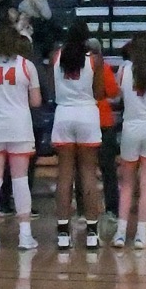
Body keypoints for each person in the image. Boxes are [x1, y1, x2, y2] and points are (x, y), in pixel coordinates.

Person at [0, 22, 43, 250]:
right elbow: (36, 102)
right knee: (20, 180)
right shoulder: (27, 66)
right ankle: (25, 235)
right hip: (19, 128)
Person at [49, 28, 108, 249]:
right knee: (88, 175)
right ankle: (92, 233)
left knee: (64, 176)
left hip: (63, 113)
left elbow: (53, 90)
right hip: (86, 115)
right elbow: (100, 92)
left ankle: (63, 234)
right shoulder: (94, 60)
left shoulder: (56, 56)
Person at [113, 33, 146, 248]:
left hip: (131, 127)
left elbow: (119, 97)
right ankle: (140, 235)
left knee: (126, 184)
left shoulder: (123, 71)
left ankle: (120, 233)